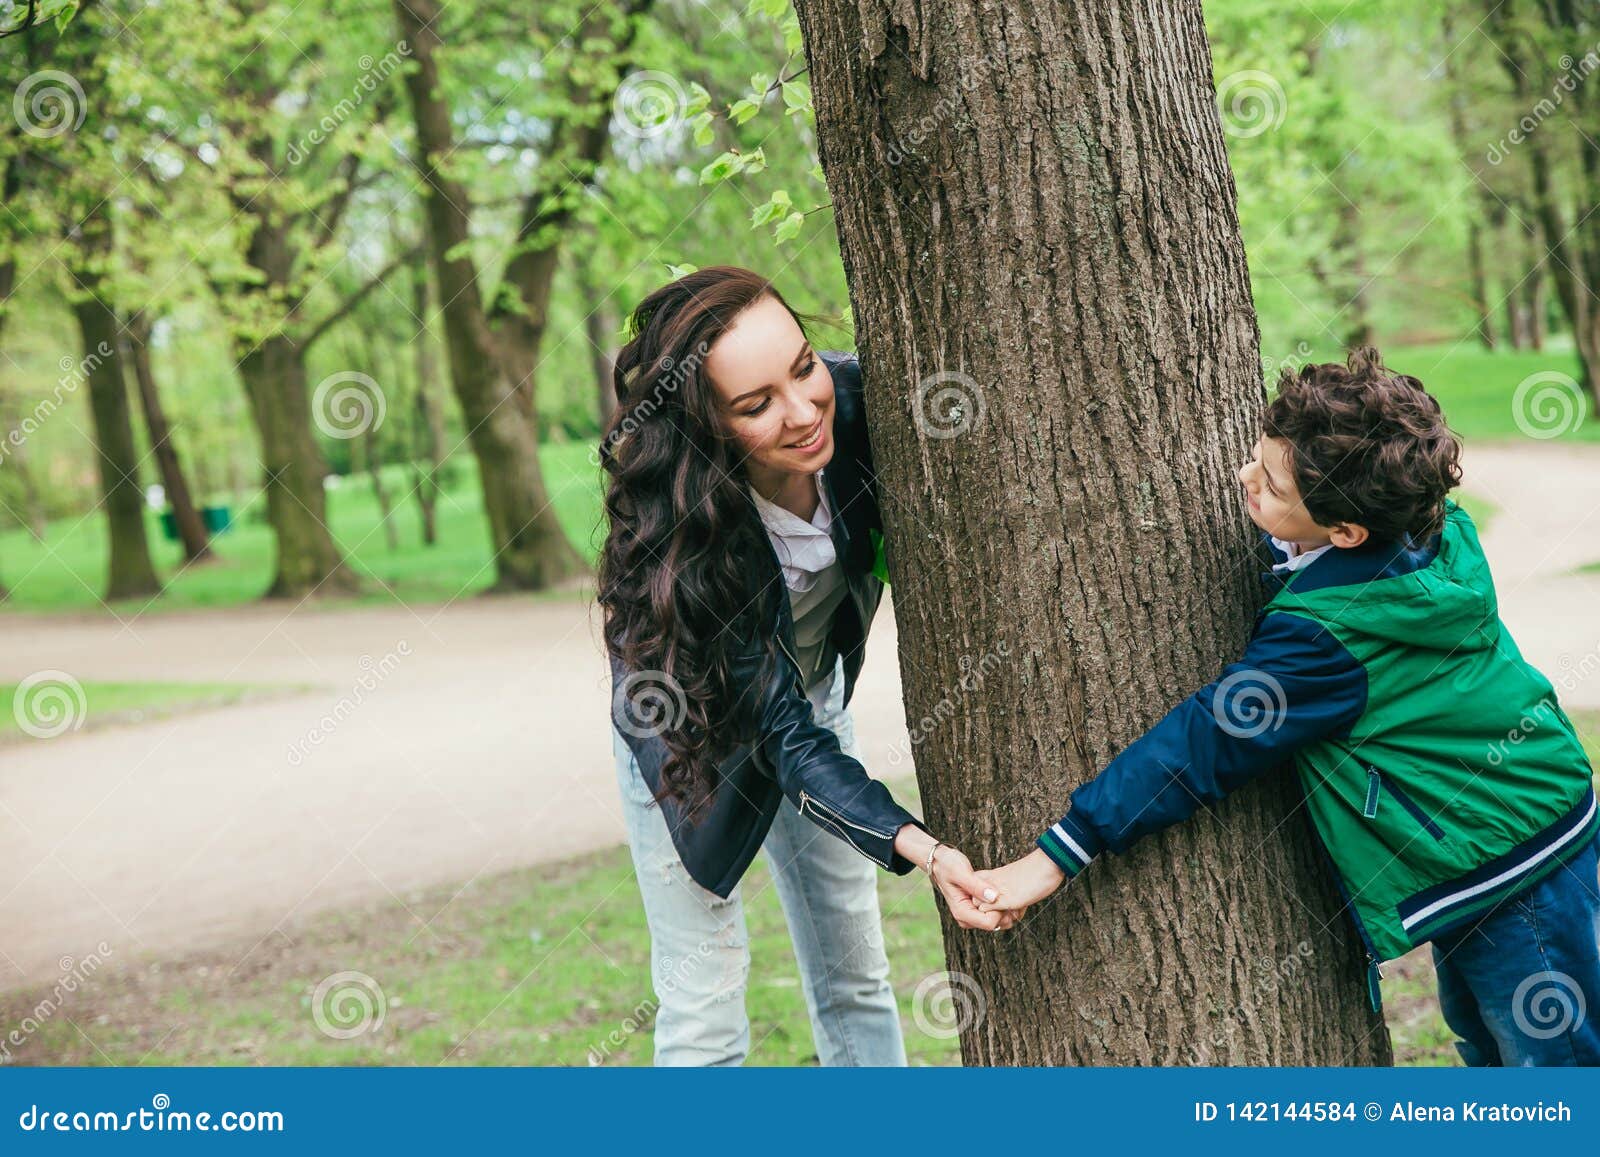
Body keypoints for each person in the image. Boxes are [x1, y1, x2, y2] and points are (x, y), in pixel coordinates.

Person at [977, 347, 1600, 1066]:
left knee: (1552, 1071)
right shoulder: (1429, 525)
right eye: (1256, 457)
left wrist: (1061, 850)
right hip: (1522, 836)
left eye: (1270, 484)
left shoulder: (1327, 641)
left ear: (1346, 534)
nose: (1243, 478)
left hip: (1514, 874)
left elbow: (1205, 740)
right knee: (1490, 1046)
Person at [598, 266, 1007, 1067]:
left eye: (803, 367)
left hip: (810, 708)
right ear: (704, 426)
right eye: (755, 406)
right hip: (693, 746)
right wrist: (923, 847)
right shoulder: (694, 545)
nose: (802, 411)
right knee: (706, 1000)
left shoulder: (856, 407)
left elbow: (802, 723)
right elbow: (779, 736)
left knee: (855, 973)